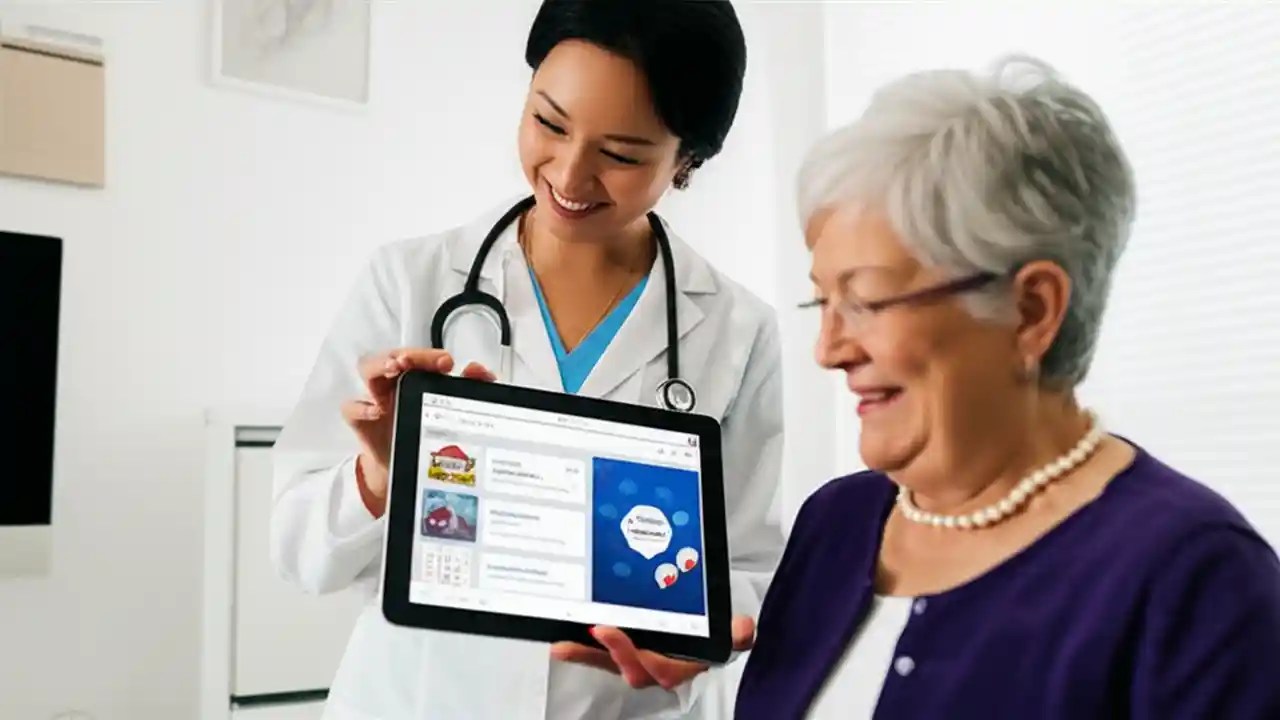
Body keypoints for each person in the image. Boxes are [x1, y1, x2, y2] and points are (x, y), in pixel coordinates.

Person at [270, 2, 782, 719]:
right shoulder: (410, 281)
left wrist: (701, 636)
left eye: (623, 154)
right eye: (548, 122)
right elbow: (297, 550)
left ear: (687, 159)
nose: (570, 174)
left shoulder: (738, 330)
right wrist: (379, 474)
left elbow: (747, 569)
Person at [734, 55, 1280, 719]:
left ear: (1031, 311)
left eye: (868, 300)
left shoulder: (1194, 580)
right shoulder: (835, 525)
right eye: (823, 303)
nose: (830, 350)